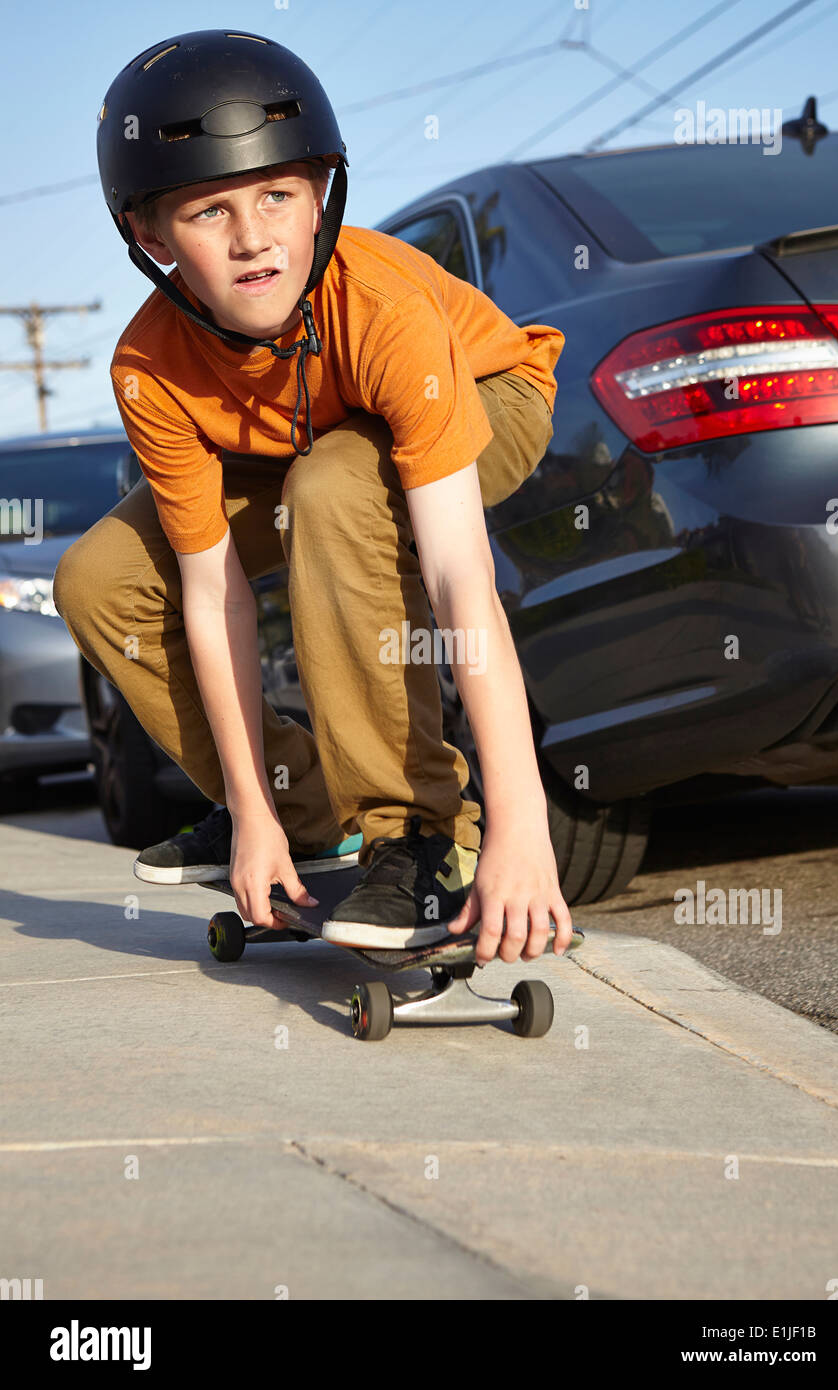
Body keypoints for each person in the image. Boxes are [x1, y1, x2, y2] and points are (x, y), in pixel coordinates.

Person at [53, 27, 574, 966]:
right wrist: (251, 813)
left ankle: (415, 832)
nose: (254, 238)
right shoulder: (149, 368)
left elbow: (460, 577)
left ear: (322, 193)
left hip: (488, 391)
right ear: (149, 234)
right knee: (100, 577)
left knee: (334, 484)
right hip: (293, 440)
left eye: (278, 196)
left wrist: (522, 823)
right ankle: (301, 808)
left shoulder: (381, 309)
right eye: (209, 213)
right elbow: (212, 594)